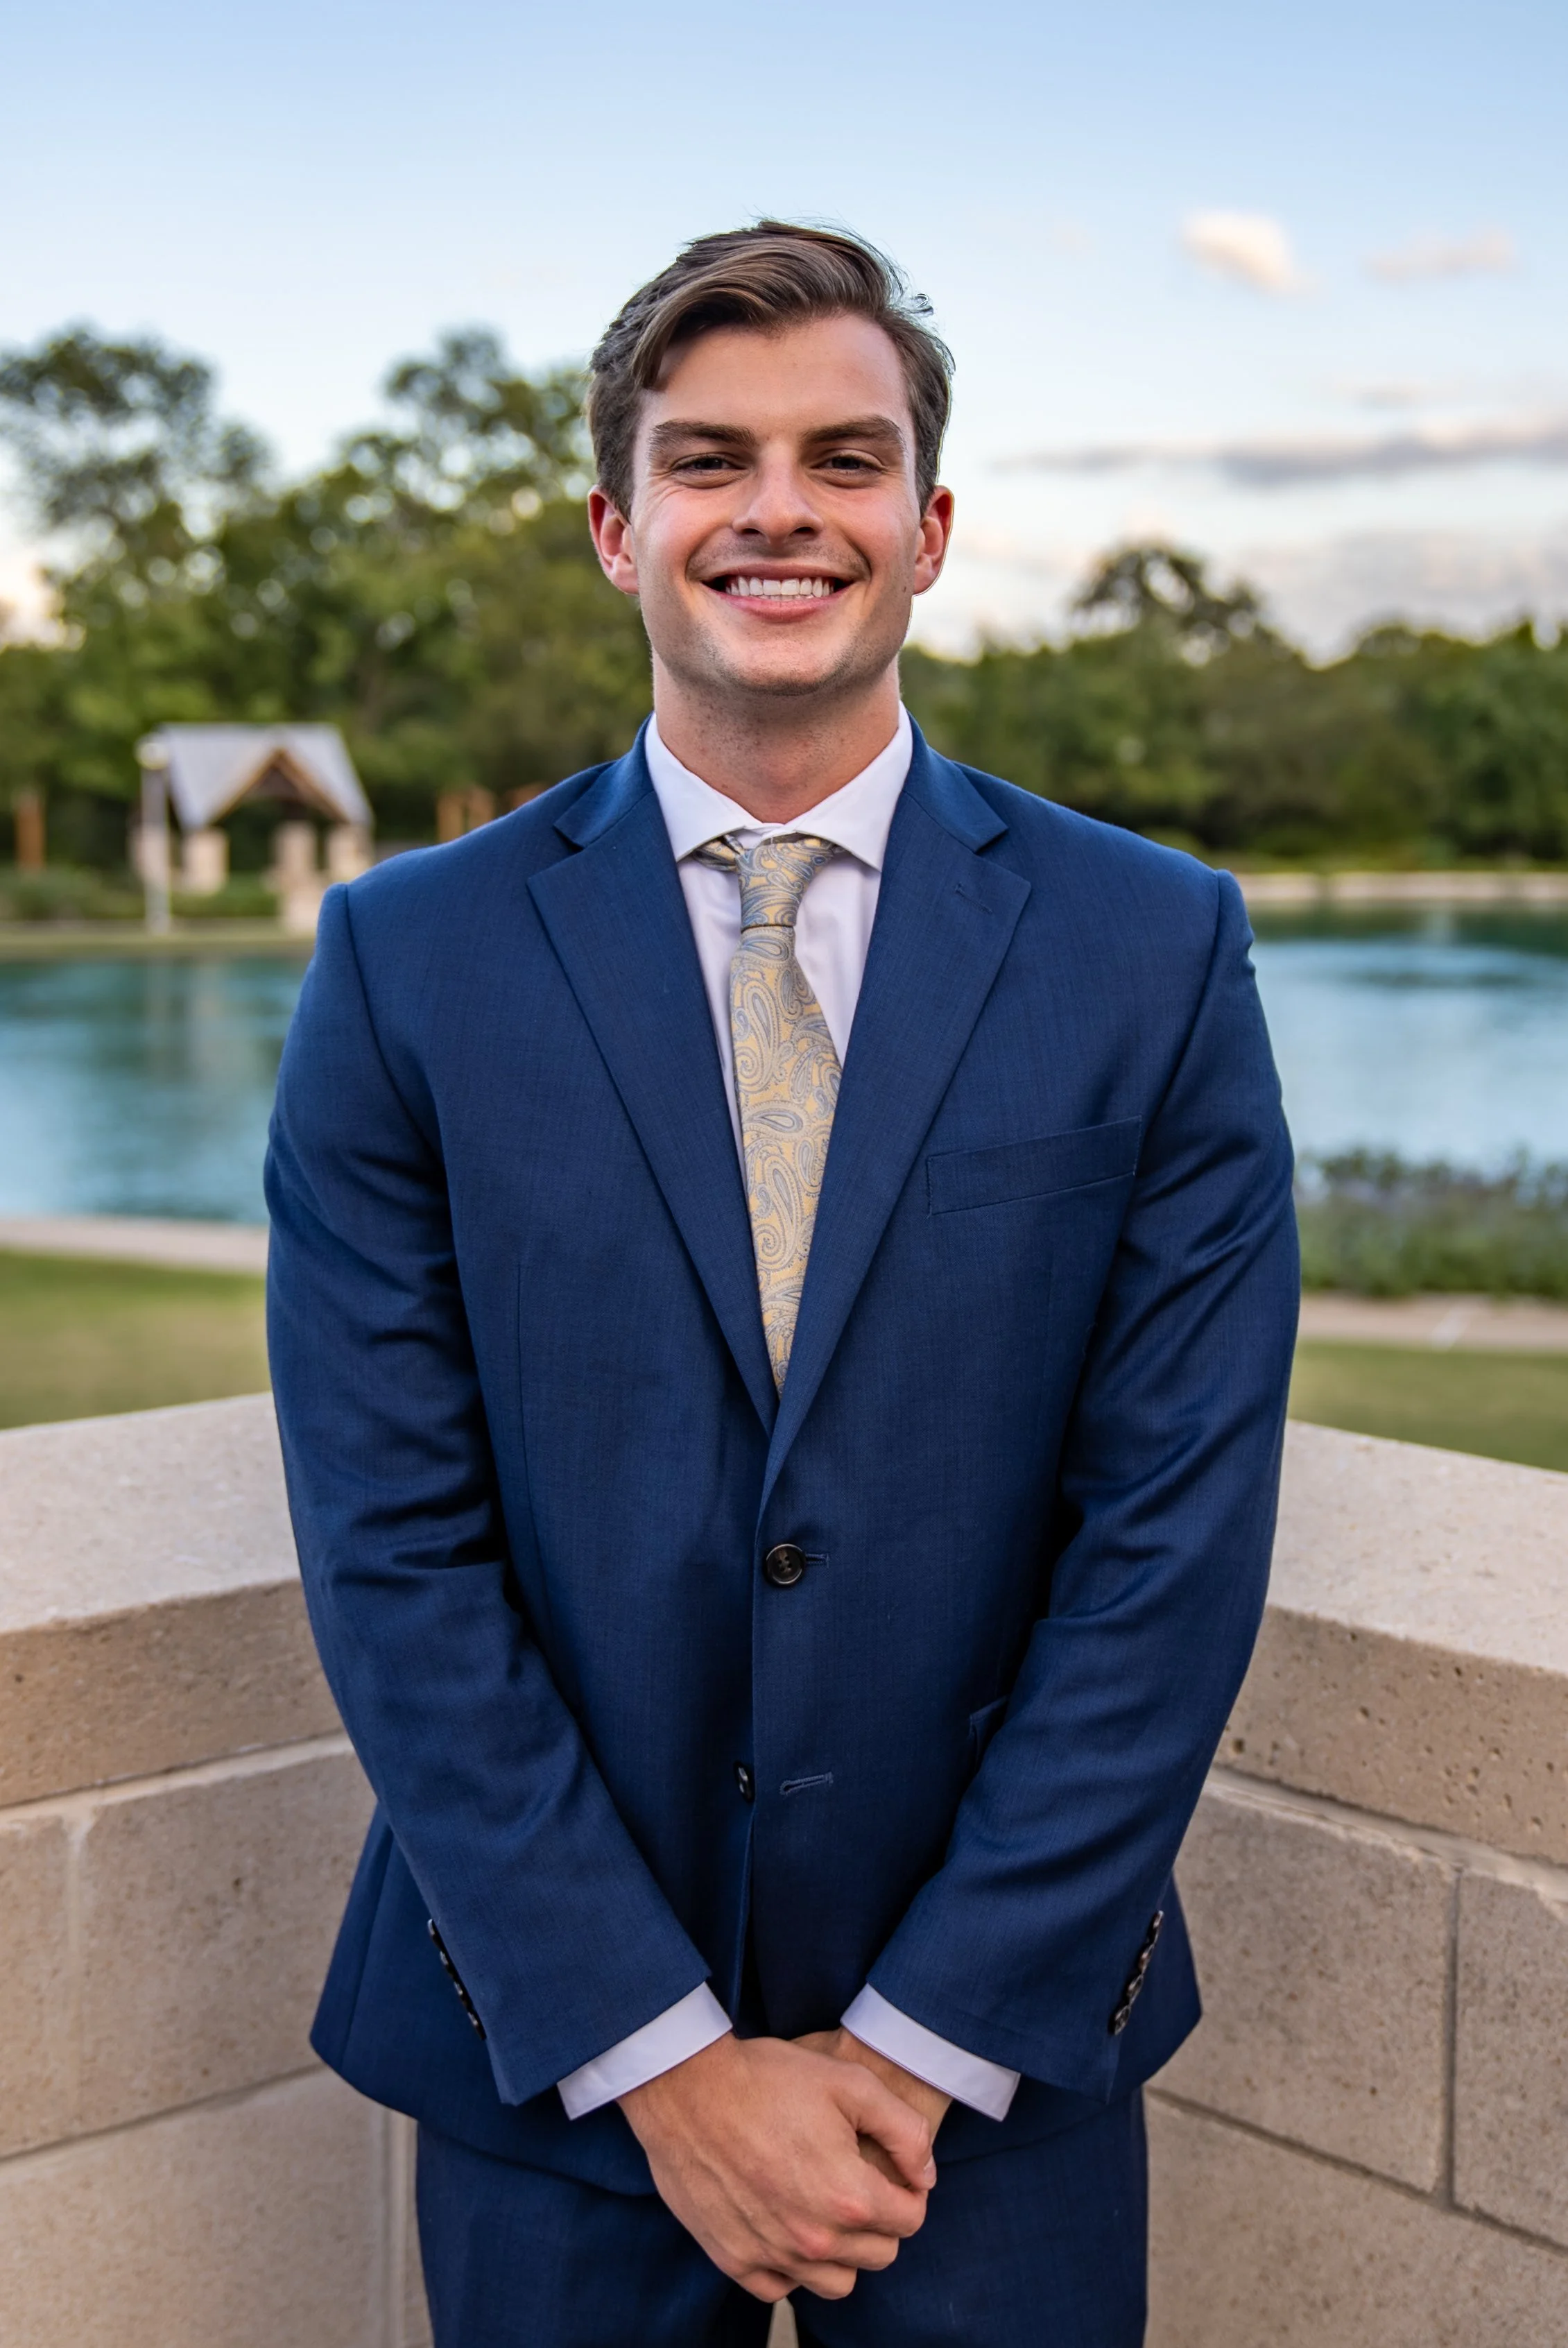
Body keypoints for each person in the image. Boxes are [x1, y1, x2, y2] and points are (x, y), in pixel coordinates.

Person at [266, 221, 1298, 2347]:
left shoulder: (1154, 949)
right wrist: (660, 2058)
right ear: (613, 526)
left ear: (924, 529)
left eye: (843, 459)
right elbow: (394, 1551)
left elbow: (1167, 1548)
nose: (775, 511)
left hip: (992, 2084)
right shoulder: (404, 960)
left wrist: (916, 2044)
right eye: (708, 458)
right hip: (550, 2069)